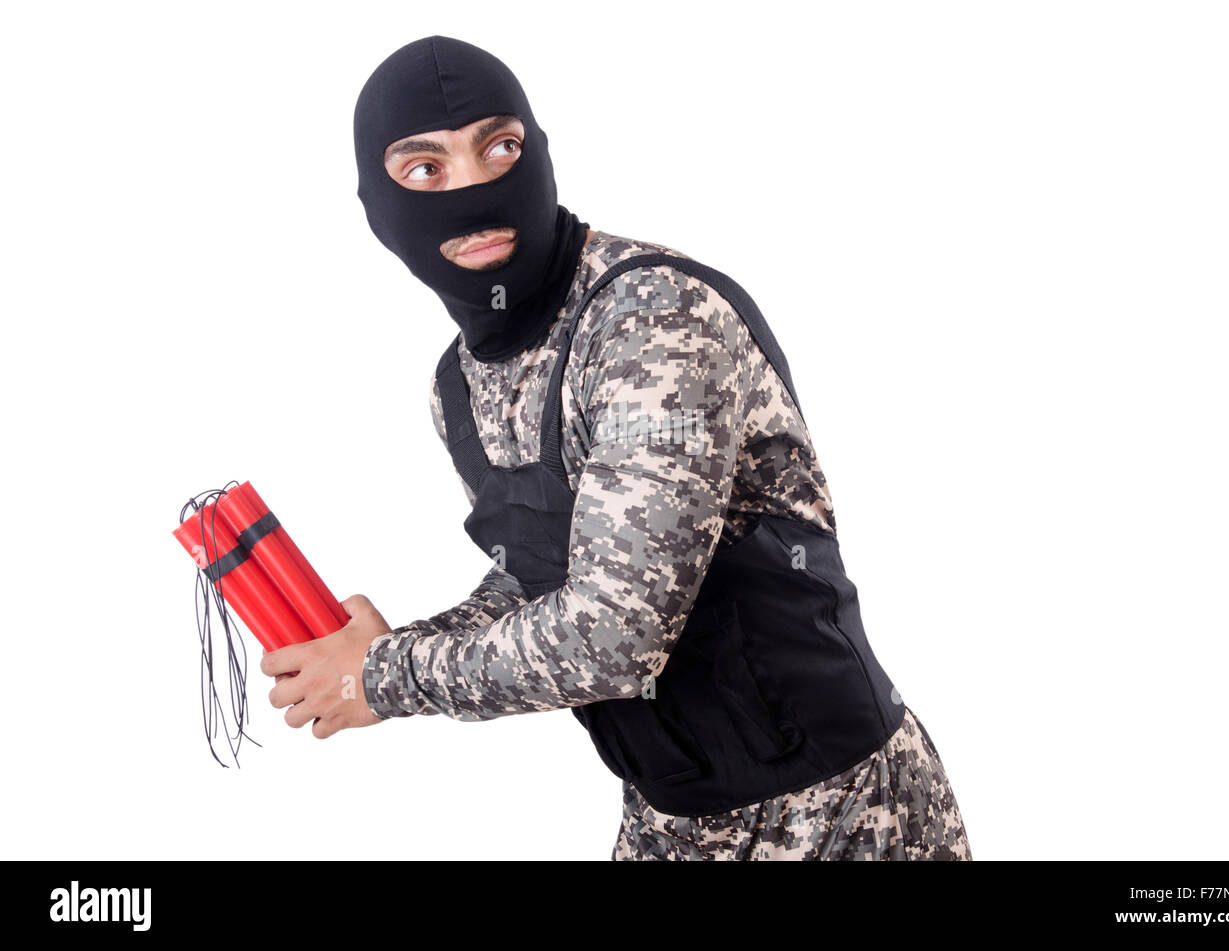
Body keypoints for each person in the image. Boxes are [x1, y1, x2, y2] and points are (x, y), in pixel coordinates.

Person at [260, 34, 973, 861]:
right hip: (670, 821)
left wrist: (385, 677)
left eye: (499, 147)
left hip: (839, 813)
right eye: (426, 169)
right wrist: (375, 653)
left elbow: (616, 633)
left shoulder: (650, 320)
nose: (474, 191)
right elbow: (547, 572)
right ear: (377, 207)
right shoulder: (455, 386)